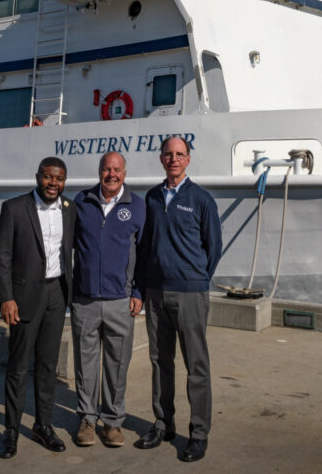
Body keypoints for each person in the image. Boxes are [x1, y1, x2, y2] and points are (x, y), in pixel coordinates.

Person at [134, 135, 223, 463]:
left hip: (190, 294)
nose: (173, 159)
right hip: (156, 293)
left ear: (188, 159)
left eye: (179, 154)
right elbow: (145, 248)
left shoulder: (201, 199)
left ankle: (199, 433)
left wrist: (196, 279)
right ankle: (163, 423)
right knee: (160, 361)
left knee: (196, 365)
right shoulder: (153, 197)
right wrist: (141, 289)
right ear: (161, 159)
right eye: (168, 154)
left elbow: (213, 248)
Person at [0, 157, 75, 459]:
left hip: (57, 293)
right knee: (18, 367)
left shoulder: (70, 209)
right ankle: (11, 430)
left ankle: (43, 425)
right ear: (38, 176)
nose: (54, 184)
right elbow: (2, 256)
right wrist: (6, 298)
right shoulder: (14, 208)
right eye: (49, 177)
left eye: (60, 179)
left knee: (47, 366)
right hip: (24, 296)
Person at [70, 151, 146, 448]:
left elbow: (144, 254)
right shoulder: (81, 202)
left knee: (117, 363)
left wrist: (138, 292)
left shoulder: (137, 206)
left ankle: (113, 422)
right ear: (99, 171)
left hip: (120, 300)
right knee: (85, 363)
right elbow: (66, 246)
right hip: (85, 299)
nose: (111, 175)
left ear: (125, 174)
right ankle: (88, 419)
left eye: (116, 170)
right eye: (106, 169)